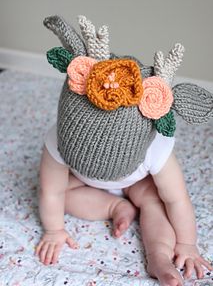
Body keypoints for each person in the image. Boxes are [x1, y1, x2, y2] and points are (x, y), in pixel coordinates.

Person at [36, 15, 213, 286]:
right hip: (83, 181)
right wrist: (54, 230)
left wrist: (187, 244)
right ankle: (115, 206)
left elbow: (177, 200)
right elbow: (51, 191)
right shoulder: (60, 140)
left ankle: (159, 257)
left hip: (137, 183)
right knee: (58, 197)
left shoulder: (156, 150)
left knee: (155, 203)